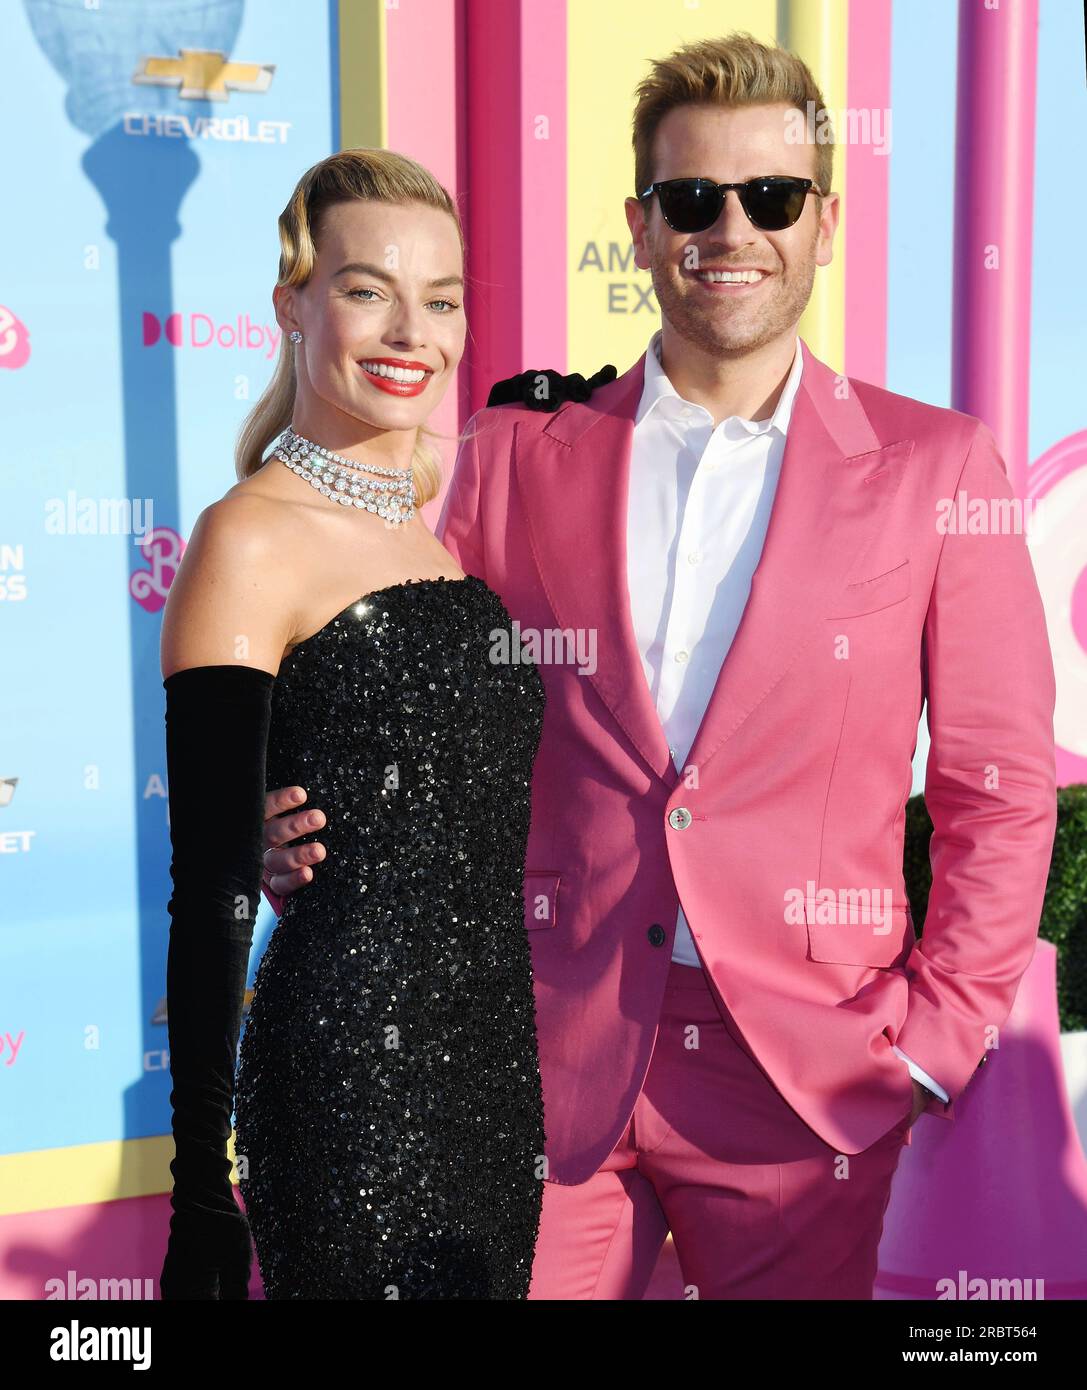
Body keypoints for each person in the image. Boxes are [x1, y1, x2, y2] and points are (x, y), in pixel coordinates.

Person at [260, 34, 1057, 1299]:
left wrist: (932, 1043)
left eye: (771, 197)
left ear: (825, 222)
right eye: (691, 199)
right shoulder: (514, 452)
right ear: (639, 225)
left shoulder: (937, 470)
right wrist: (277, 793)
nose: (729, 229)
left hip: (808, 1079)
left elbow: (997, 786)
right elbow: (371, 650)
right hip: (539, 1052)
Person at [157, 148, 546, 1300]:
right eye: (367, 287)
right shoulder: (249, 537)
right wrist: (195, 1189)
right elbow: (212, 892)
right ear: (292, 303)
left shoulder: (433, 538)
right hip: (346, 1096)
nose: (408, 330)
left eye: (442, 298)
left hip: (491, 1086)